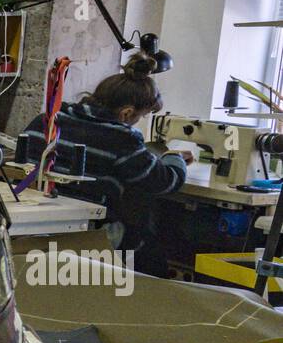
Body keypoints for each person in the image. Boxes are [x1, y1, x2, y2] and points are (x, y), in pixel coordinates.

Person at [20, 54, 192, 263]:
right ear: (126, 114)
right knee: (152, 243)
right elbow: (164, 182)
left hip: (29, 228)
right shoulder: (122, 138)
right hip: (83, 233)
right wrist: (175, 158)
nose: (137, 122)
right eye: (141, 116)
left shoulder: (49, 119)